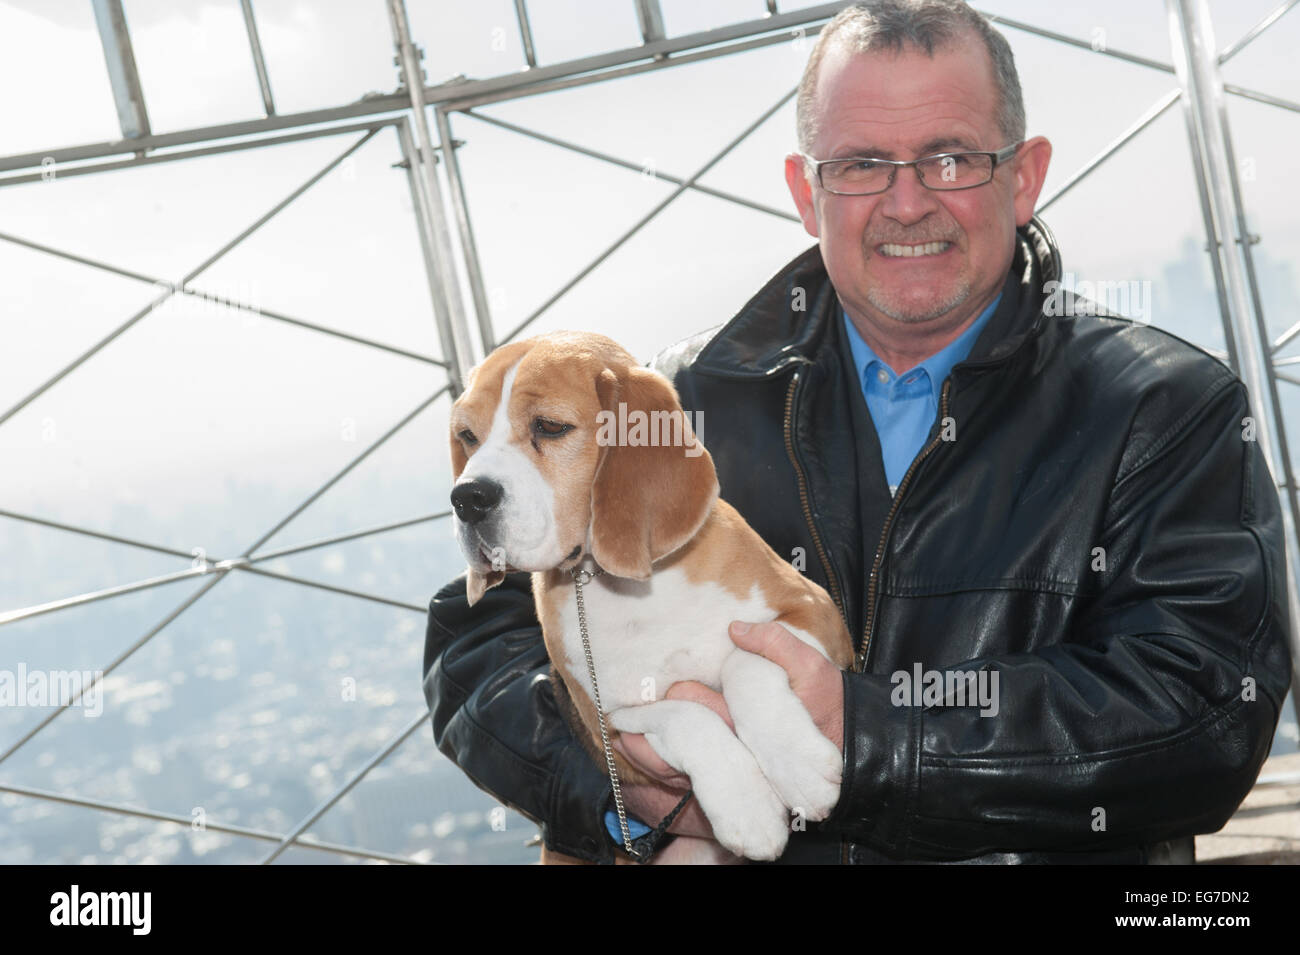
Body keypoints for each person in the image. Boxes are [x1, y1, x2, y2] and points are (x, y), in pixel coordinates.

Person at [422, 0, 1293, 864]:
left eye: (950, 158)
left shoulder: (1165, 410)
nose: (906, 203)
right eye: (862, 164)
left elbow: (1203, 716)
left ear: (1023, 177)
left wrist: (865, 734)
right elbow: (479, 644)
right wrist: (623, 786)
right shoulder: (680, 399)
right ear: (807, 192)